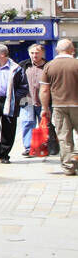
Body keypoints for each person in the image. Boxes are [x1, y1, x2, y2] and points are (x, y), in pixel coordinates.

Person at [40, 38, 78, 175]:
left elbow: (44, 90)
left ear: (57, 50)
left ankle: (68, 167)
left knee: (64, 137)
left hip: (59, 106)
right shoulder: (76, 64)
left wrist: (45, 108)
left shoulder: (49, 66)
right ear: (72, 50)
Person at [20, 45, 47, 156]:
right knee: (27, 124)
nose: (34, 55)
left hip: (43, 101)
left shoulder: (48, 66)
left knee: (43, 125)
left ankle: (42, 147)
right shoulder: (23, 65)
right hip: (26, 100)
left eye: (37, 53)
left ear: (42, 53)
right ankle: (28, 148)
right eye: (32, 53)